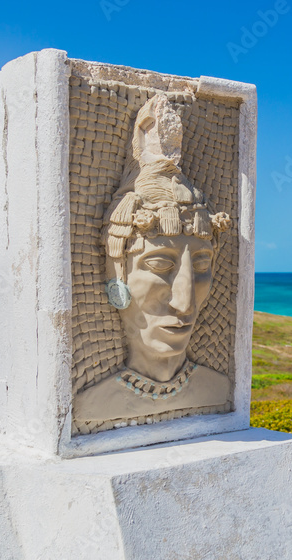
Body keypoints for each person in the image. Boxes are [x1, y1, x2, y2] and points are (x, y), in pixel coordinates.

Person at [74, 94, 232, 424]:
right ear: (117, 275)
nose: (184, 300)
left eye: (201, 265)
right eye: (159, 265)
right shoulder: (91, 405)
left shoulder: (218, 389)